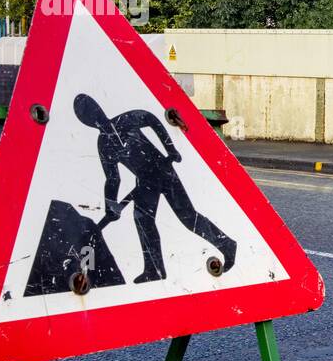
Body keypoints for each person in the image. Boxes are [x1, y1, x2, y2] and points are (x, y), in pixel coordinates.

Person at [73, 93, 236, 283]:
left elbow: (151, 119)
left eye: (91, 110)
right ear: (85, 122)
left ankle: (226, 244)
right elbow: (112, 178)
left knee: (188, 217)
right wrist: (110, 204)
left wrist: (170, 148)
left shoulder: (125, 120)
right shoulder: (104, 144)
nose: (92, 117)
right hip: (144, 181)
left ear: (98, 108)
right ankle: (154, 269)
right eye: (85, 115)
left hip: (163, 170)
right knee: (143, 220)